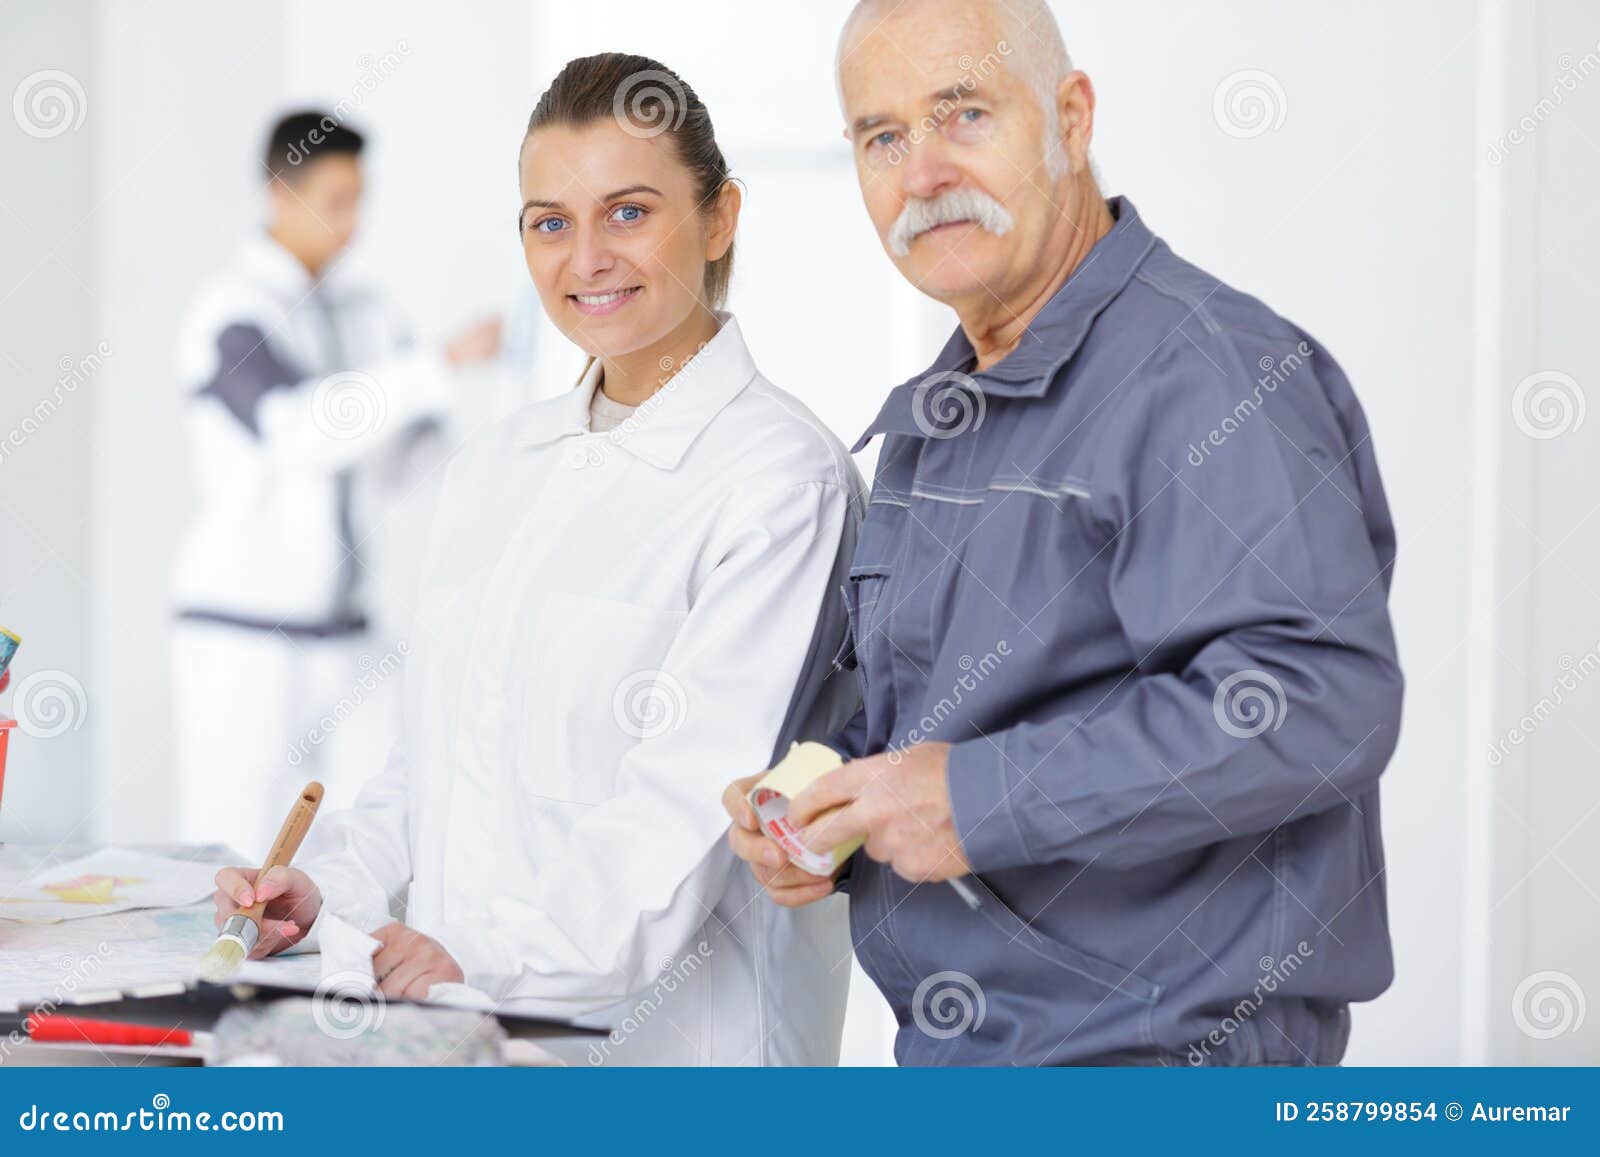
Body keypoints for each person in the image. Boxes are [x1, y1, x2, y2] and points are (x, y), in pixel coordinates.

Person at [726, 0, 1404, 1066]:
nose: (921, 173)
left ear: (1070, 119)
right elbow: (958, 719)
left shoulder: (1203, 374)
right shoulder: (938, 415)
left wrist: (974, 798)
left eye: (962, 115)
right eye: (881, 136)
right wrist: (829, 799)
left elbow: (1318, 698)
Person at [210, 56, 864, 1066]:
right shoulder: (500, 466)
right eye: (550, 222)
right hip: (476, 1036)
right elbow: (423, 769)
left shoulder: (780, 480)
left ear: (721, 217)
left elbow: (681, 814)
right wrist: (330, 889)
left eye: (630, 212)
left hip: (686, 1057)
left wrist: (468, 954)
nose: (587, 256)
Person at [172, 111, 501, 857]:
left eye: (359, 197)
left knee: (356, 851)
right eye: (334, 198)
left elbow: (403, 458)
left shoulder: (367, 312)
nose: (352, 220)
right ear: (278, 194)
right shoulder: (231, 311)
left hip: (348, 636)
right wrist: (439, 363)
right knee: (236, 853)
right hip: (244, 637)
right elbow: (298, 428)